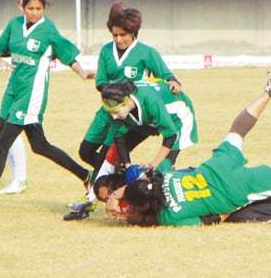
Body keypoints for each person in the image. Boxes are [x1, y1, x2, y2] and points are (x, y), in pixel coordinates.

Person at [105, 73, 271, 226]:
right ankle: (268, 92)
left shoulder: (168, 217)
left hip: (234, 189)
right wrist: (118, 194)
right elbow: (147, 177)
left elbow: (208, 220)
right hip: (214, 167)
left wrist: (130, 218)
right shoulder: (161, 176)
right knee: (236, 133)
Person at [0, 0, 93, 216]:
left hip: (30, 96)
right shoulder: (14, 25)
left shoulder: (48, 30)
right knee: (39, 146)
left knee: (1, 145)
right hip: (11, 92)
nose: (34, 13)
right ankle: (86, 176)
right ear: (22, 8)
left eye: (38, 9)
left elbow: (68, 55)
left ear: (43, 9)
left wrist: (82, 73)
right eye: (30, 8)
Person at [68, 2, 181, 216]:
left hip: (126, 114)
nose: (119, 39)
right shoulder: (105, 51)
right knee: (85, 151)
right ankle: (120, 179)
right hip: (107, 109)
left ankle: (93, 197)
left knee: (106, 155)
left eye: (124, 35)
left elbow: (166, 75)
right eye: (115, 35)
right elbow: (100, 81)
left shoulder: (146, 52)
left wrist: (174, 82)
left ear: (134, 33)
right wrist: (114, 94)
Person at [64, 79, 198, 221]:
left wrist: (153, 164)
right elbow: (119, 137)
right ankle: (90, 201)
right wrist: (127, 165)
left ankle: (165, 210)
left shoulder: (149, 100)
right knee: (114, 157)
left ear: (126, 102)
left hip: (177, 120)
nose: (114, 117)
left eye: (115, 112)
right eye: (111, 113)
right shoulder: (119, 109)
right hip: (147, 119)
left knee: (161, 170)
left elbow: (170, 135)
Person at [0, 0, 31, 195]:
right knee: (4, 129)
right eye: (21, 3)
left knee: (13, 131)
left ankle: (20, 178)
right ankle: (17, 178)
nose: (22, 7)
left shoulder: (43, 28)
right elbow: (3, 47)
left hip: (28, 87)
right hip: (13, 82)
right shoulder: (15, 25)